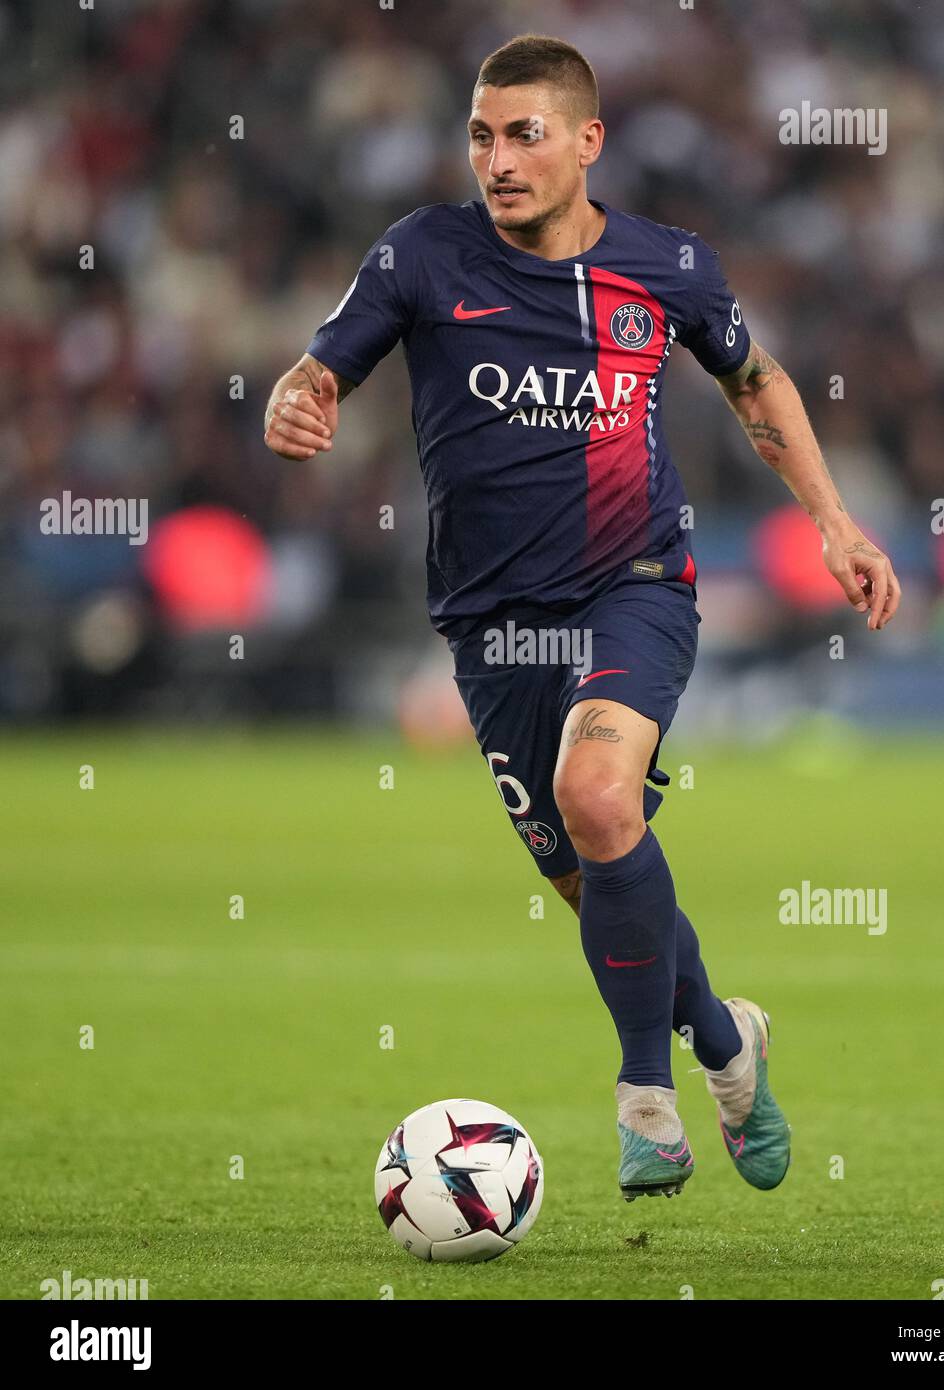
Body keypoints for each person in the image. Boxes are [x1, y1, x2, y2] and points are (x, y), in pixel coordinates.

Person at [265, 33, 901, 1201]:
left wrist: (834, 522)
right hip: (489, 625)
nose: (495, 160)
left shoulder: (667, 267)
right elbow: (318, 370)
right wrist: (293, 402)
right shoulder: (420, 253)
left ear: (585, 142)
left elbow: (753, 381)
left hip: (635, 585)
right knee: (595, 866)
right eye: (479, 136)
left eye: (522, 134)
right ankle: (724, 1039)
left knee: (597, 793)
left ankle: (643, 1098)